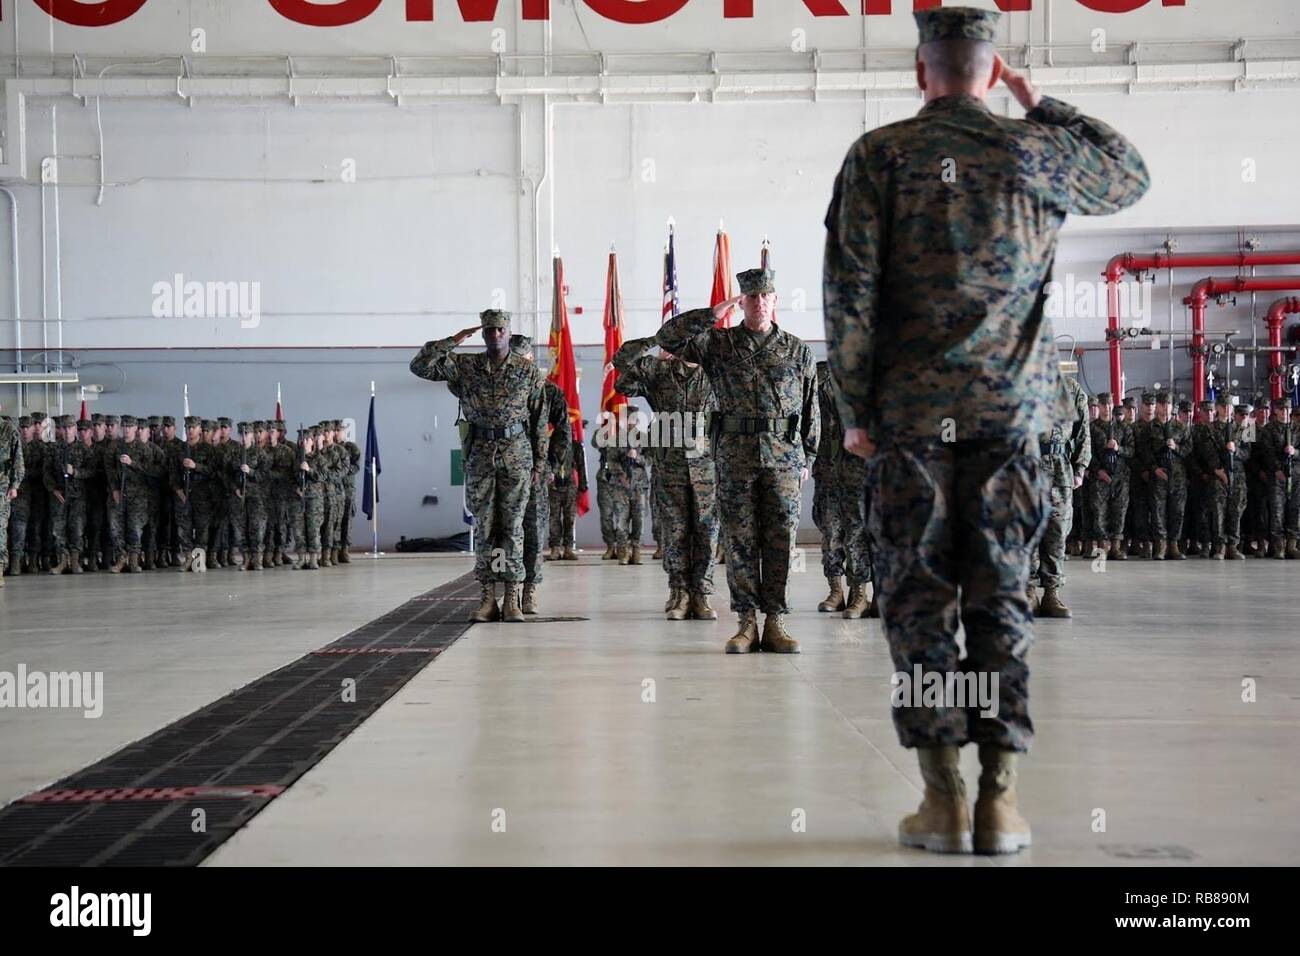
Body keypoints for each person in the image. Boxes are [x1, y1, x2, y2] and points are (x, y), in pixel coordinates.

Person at [822, 5, 1149, 854]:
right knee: (1000, 595)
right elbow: (1129, 174)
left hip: (910, 421)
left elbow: (849, 290)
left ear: (920, 69)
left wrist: (855, 411)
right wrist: (1043, 106)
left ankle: (942, 798)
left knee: (919, 602)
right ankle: (1001, 801)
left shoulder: (879, 156)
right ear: (992, 68)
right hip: (1011, 415)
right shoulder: (1036, 152)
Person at [657, 267, 819, 654]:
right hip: (735, 458)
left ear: (775, 301)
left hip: (783, 459)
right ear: (741, 302)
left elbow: (811, 410)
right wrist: (714, 313)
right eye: (751, 297)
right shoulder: (719, 345)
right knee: (740, 541)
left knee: (781, 539)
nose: (759, 303)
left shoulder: (798, 351)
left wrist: (808, 456)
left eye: (766, 296)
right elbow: (668, 338)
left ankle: (775, 621)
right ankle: (746, 622)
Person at [410, 310, 547, 623]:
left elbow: (539, 420)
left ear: (509, 332)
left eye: (500, 329)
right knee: (485, 527)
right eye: (489, 330)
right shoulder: (466, 366)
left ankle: (512, 596)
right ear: (483, 333)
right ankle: (488, 597)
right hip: (481, 454)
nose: (495, 334)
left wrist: (540, 463)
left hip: (516, 454)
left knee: (512, 527)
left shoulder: (528, 372)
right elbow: (420, 366)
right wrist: (453, 340)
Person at [614, 334, 719, 620]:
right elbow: (621, 373)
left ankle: (702, 594)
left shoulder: (716, 372)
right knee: (675, 529)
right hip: (669, 462)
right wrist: (654, 342)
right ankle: (679, 593)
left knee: (707, 530)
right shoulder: (658, 371)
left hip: (706, 464)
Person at [511, 334, 571, 615]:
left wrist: (549, 464)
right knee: (504, 532)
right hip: (505, 473)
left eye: (522, 360)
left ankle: (529, 590)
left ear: (531, 360)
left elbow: (563, 430)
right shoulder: (501, 391)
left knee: (533, 531)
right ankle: (506, 588)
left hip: (535, 472)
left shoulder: (550, 391)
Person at [1029, 373, 1091, 617]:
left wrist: (1080, 467)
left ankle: (1051, 593)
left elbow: (1082, 430)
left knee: (1057, 531)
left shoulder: (1071, 388)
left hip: (1059, 468)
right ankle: (1028, 590)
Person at [1145, 392, 1193, 560]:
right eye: (1162, 404)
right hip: (1158, 476)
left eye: (1169, 404)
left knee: (1177, 511)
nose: (1165, 407)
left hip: (1177, 477)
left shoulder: (1181, 428)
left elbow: (1189, 450)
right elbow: (1145, 452)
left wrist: (1176, 448)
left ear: (1173, 407)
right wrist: (1154, 468)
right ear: (1156, 406)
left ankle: (1173, 545)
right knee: (1158, 512)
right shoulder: (1149, 427)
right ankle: (1160, 545)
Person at [1259, 396, 1298, 558]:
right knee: (1277, 511)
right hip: (1276, 476)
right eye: (1282, 409)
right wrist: (1276, 469)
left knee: (1295, 510)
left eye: (1288, 409)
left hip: (1295, 475)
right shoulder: (1269, 429)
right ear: (1276, 410)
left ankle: (1292, 545)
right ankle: (1278, 546)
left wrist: (1295, 452)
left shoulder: (1297, 428)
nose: (1285, 412)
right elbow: (1266, 452)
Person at [0, 410, 22, 588]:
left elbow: (18, 460)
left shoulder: (9, 430)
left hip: (2, 486)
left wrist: (15, 484)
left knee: (0, 528)